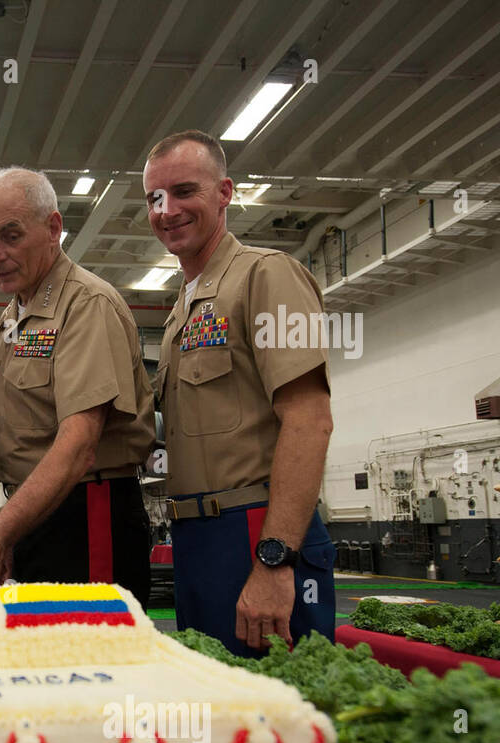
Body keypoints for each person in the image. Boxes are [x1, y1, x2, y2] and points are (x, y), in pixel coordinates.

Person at [143, 129, 336, 656]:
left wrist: (275, 560)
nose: (168, 210)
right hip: (195, 542)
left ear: (225, 192)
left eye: (185, 191)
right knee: (218, 714)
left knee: (279, 720)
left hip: (255, 533)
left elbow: (309, 421)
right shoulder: (183, 309)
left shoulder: (267, 276)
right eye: (155, 198)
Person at [0, 167, 155, 607]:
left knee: (92, 659)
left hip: (88, 516)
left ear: (53, 228)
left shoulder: (86, 304)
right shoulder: (13, 315)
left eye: (10, 236)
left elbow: (79, 446)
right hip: (35, 517)